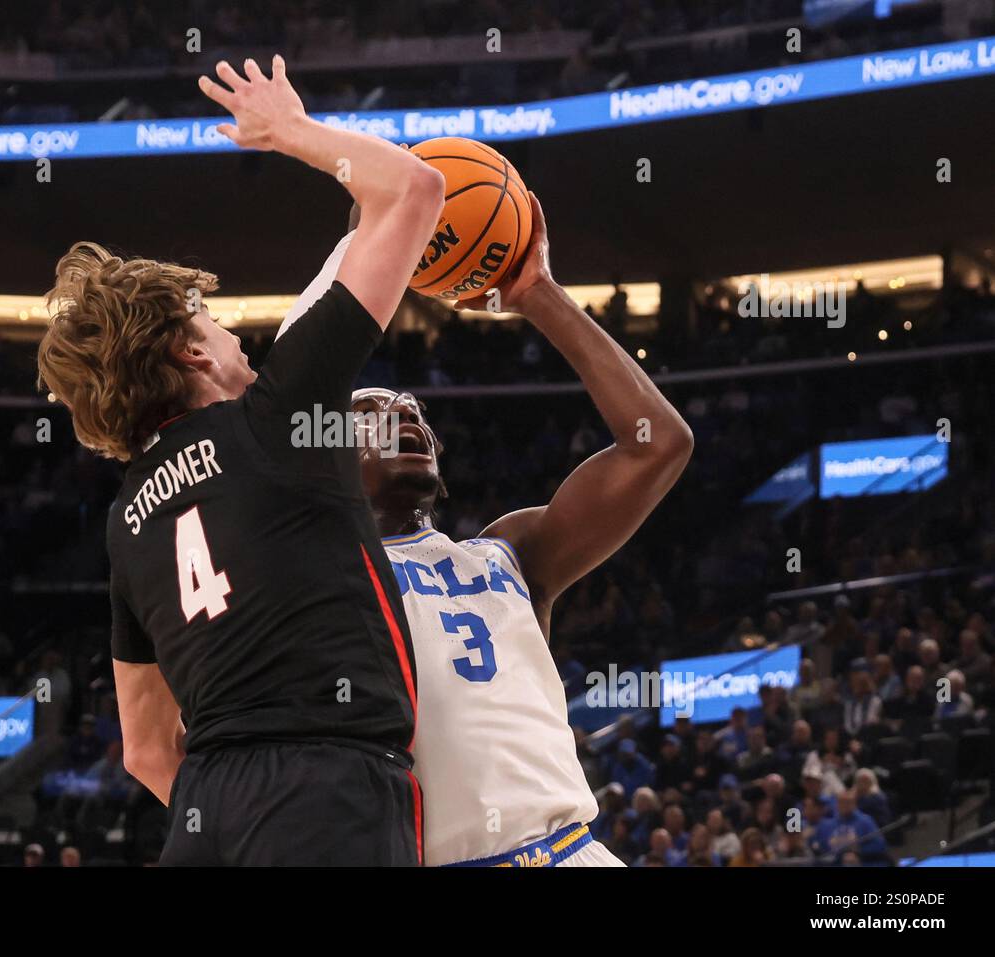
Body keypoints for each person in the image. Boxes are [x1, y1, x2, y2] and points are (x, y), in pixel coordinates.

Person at [37, 55, 444, 865]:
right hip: (326, 791)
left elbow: (147, 750)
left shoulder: (128, 520)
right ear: (191, 352)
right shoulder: (279, 416)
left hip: (204, 816)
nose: (237, 339)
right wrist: (291, 132)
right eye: (218, 325)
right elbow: (414, 191)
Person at [280, 193, 693, 866]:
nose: (403, 413)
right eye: (373, 411)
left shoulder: (509, 553)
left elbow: (658, 443)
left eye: (412, 408)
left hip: (575, 852)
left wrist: (537, 294)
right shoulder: (317, 572)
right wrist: (362, 253)